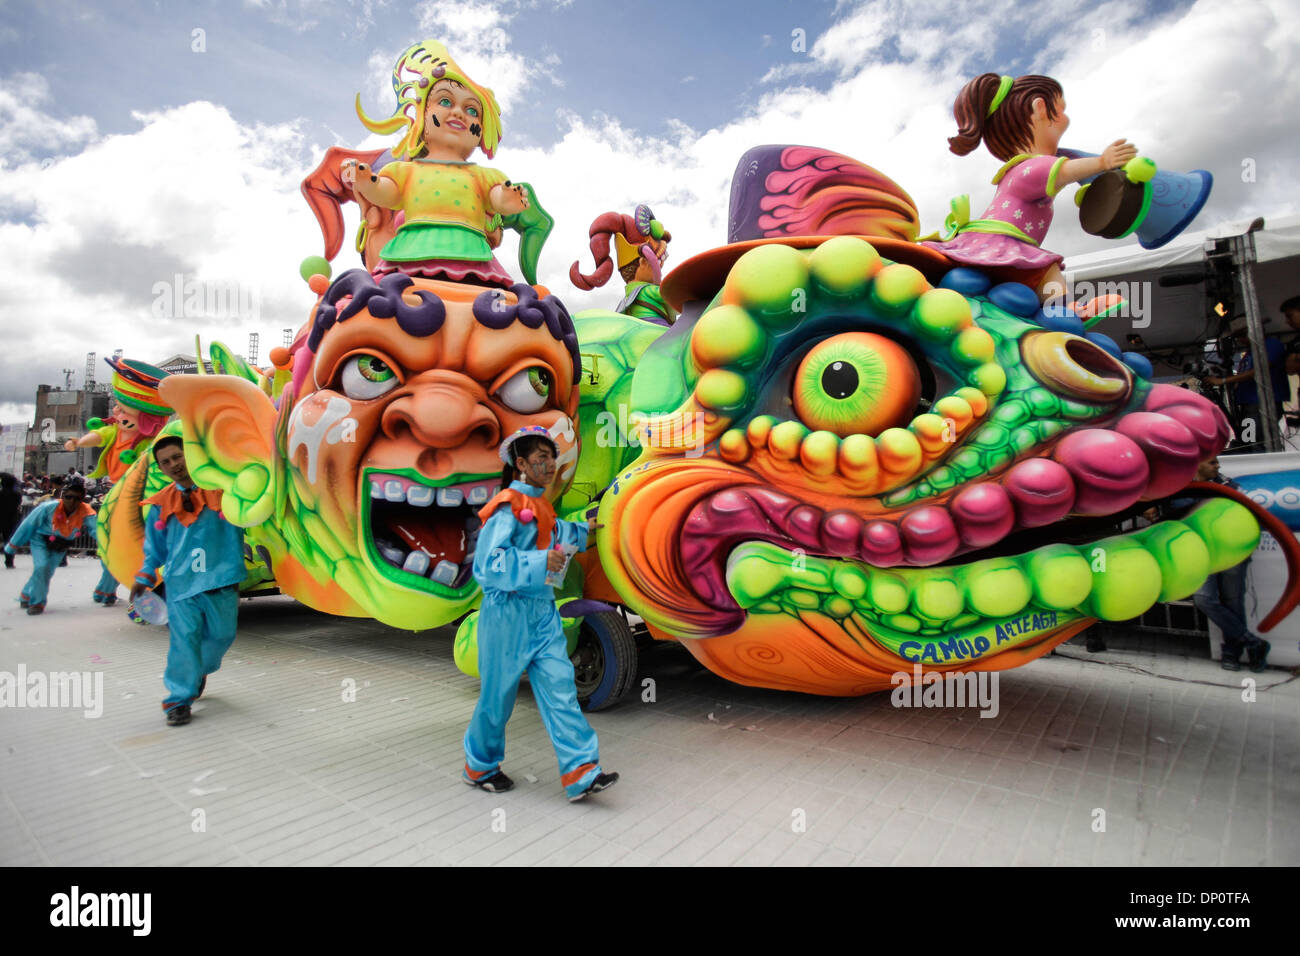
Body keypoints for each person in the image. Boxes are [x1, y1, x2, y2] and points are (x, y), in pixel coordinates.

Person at [462, 425, 618, 802]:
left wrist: (585, 528)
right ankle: (480, 765)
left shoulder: (541, 507)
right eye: (541, 459)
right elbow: (487, 567)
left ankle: (582, 771)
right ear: (521, 463)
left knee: (561, 688)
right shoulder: (504, 509)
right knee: (497, 698)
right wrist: (536, 561)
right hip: (506, 617)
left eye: (552, 458)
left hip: (542, 614)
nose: (550, 466)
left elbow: (558, 531)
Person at [920, 72, 1137, 304]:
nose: (1066, 119)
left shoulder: (1018, 170)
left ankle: (1055, 313)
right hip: (1003, 241)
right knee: (1047, 271)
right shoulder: (1034, 166)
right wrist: (1102, 162)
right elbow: (1062, 172)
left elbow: (1055, 181)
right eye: (1061, 110)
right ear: (1041, 109)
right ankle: (1063, 311)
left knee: (1029, 279)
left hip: (997, 243)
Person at [341, 40, 544, 286]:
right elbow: (388, 193)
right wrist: (367, 182)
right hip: (410, 251)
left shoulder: (484, 176)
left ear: (482, 130)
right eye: (445, 102)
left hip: (471, 254)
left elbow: (495, 198)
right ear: (423, 115)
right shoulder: (406, 171)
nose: (459, 112)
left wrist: (508, 199)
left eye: (471, 110)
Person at [129, 436, 245, 727]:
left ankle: (198, 671)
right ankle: (178, 700)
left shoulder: (225, 490)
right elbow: (155, 548)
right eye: (165, 462)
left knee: (222, 636)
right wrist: (144, 576)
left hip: (221, 579)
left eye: (177, 456)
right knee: (183, 644)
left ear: (189, 454)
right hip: (180, 585)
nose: (173, 465)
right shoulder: (160, 504)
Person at [1161, 459, 1270, 672]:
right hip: (1201, 556)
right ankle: (1253, 643)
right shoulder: (1179, 489)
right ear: (1197, 464)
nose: (1218, 466)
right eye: (1212, 462)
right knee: (1204, 599)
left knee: (1233, 602)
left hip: (1231, 554)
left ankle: (1232, 654)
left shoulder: (1229, 487)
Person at [570, 206, 676, 325]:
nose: (660, 268)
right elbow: (676, 297)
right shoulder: (647, 290)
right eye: (658, 263)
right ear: (643, 262)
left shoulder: (626, 300)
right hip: (658, 330)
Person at [4, 479, 95, 614]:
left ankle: (26, 594)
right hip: (40, 541)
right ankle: (37, 603)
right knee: (42, 566)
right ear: (63, 496)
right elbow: (29, 524)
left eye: (77, 498)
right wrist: (12, 546)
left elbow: (96, 529)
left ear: (82, 500)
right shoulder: (48, 507)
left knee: (45, 571)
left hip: (61, 545)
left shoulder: (86, 511)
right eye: (69, 497)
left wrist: (108, 547)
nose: (72, 501)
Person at [1207, 318, 1288, 447]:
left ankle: (1261, 464)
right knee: (1249, 440)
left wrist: (1223, 381)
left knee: (1256, 441)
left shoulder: (1270, 344)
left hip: (1261, 403)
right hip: (1249, 404)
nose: (1240, 340)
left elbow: (1260, 370)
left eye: (1241, 336)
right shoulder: (1250, 352)